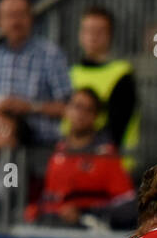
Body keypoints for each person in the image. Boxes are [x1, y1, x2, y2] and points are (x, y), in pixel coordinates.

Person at [0, 0, 71, 148]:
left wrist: (29, 107)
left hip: (41, 146)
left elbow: (68, 108)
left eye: (20, 14)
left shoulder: (51, 55)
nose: (15, 22)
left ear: (31, 17)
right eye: (9, 16)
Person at [29, 88, 134, 227]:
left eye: (88, 109)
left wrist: (85, 212)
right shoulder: (54, 151)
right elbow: (46, 195)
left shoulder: (105, 155)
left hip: (84, 230)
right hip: (49, 225)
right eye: (77, 106)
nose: (81, 114)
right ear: (66, 110)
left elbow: (127, 202)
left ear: (95, 116)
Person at [69, 6, 139, 166]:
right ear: (80, 35)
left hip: (111, 165)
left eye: (99, 31)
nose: (93, 37)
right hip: (72, 161)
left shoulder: (122, 74)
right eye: (88, 31)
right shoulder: (70, 73)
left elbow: (117, 127)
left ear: (110, 35)